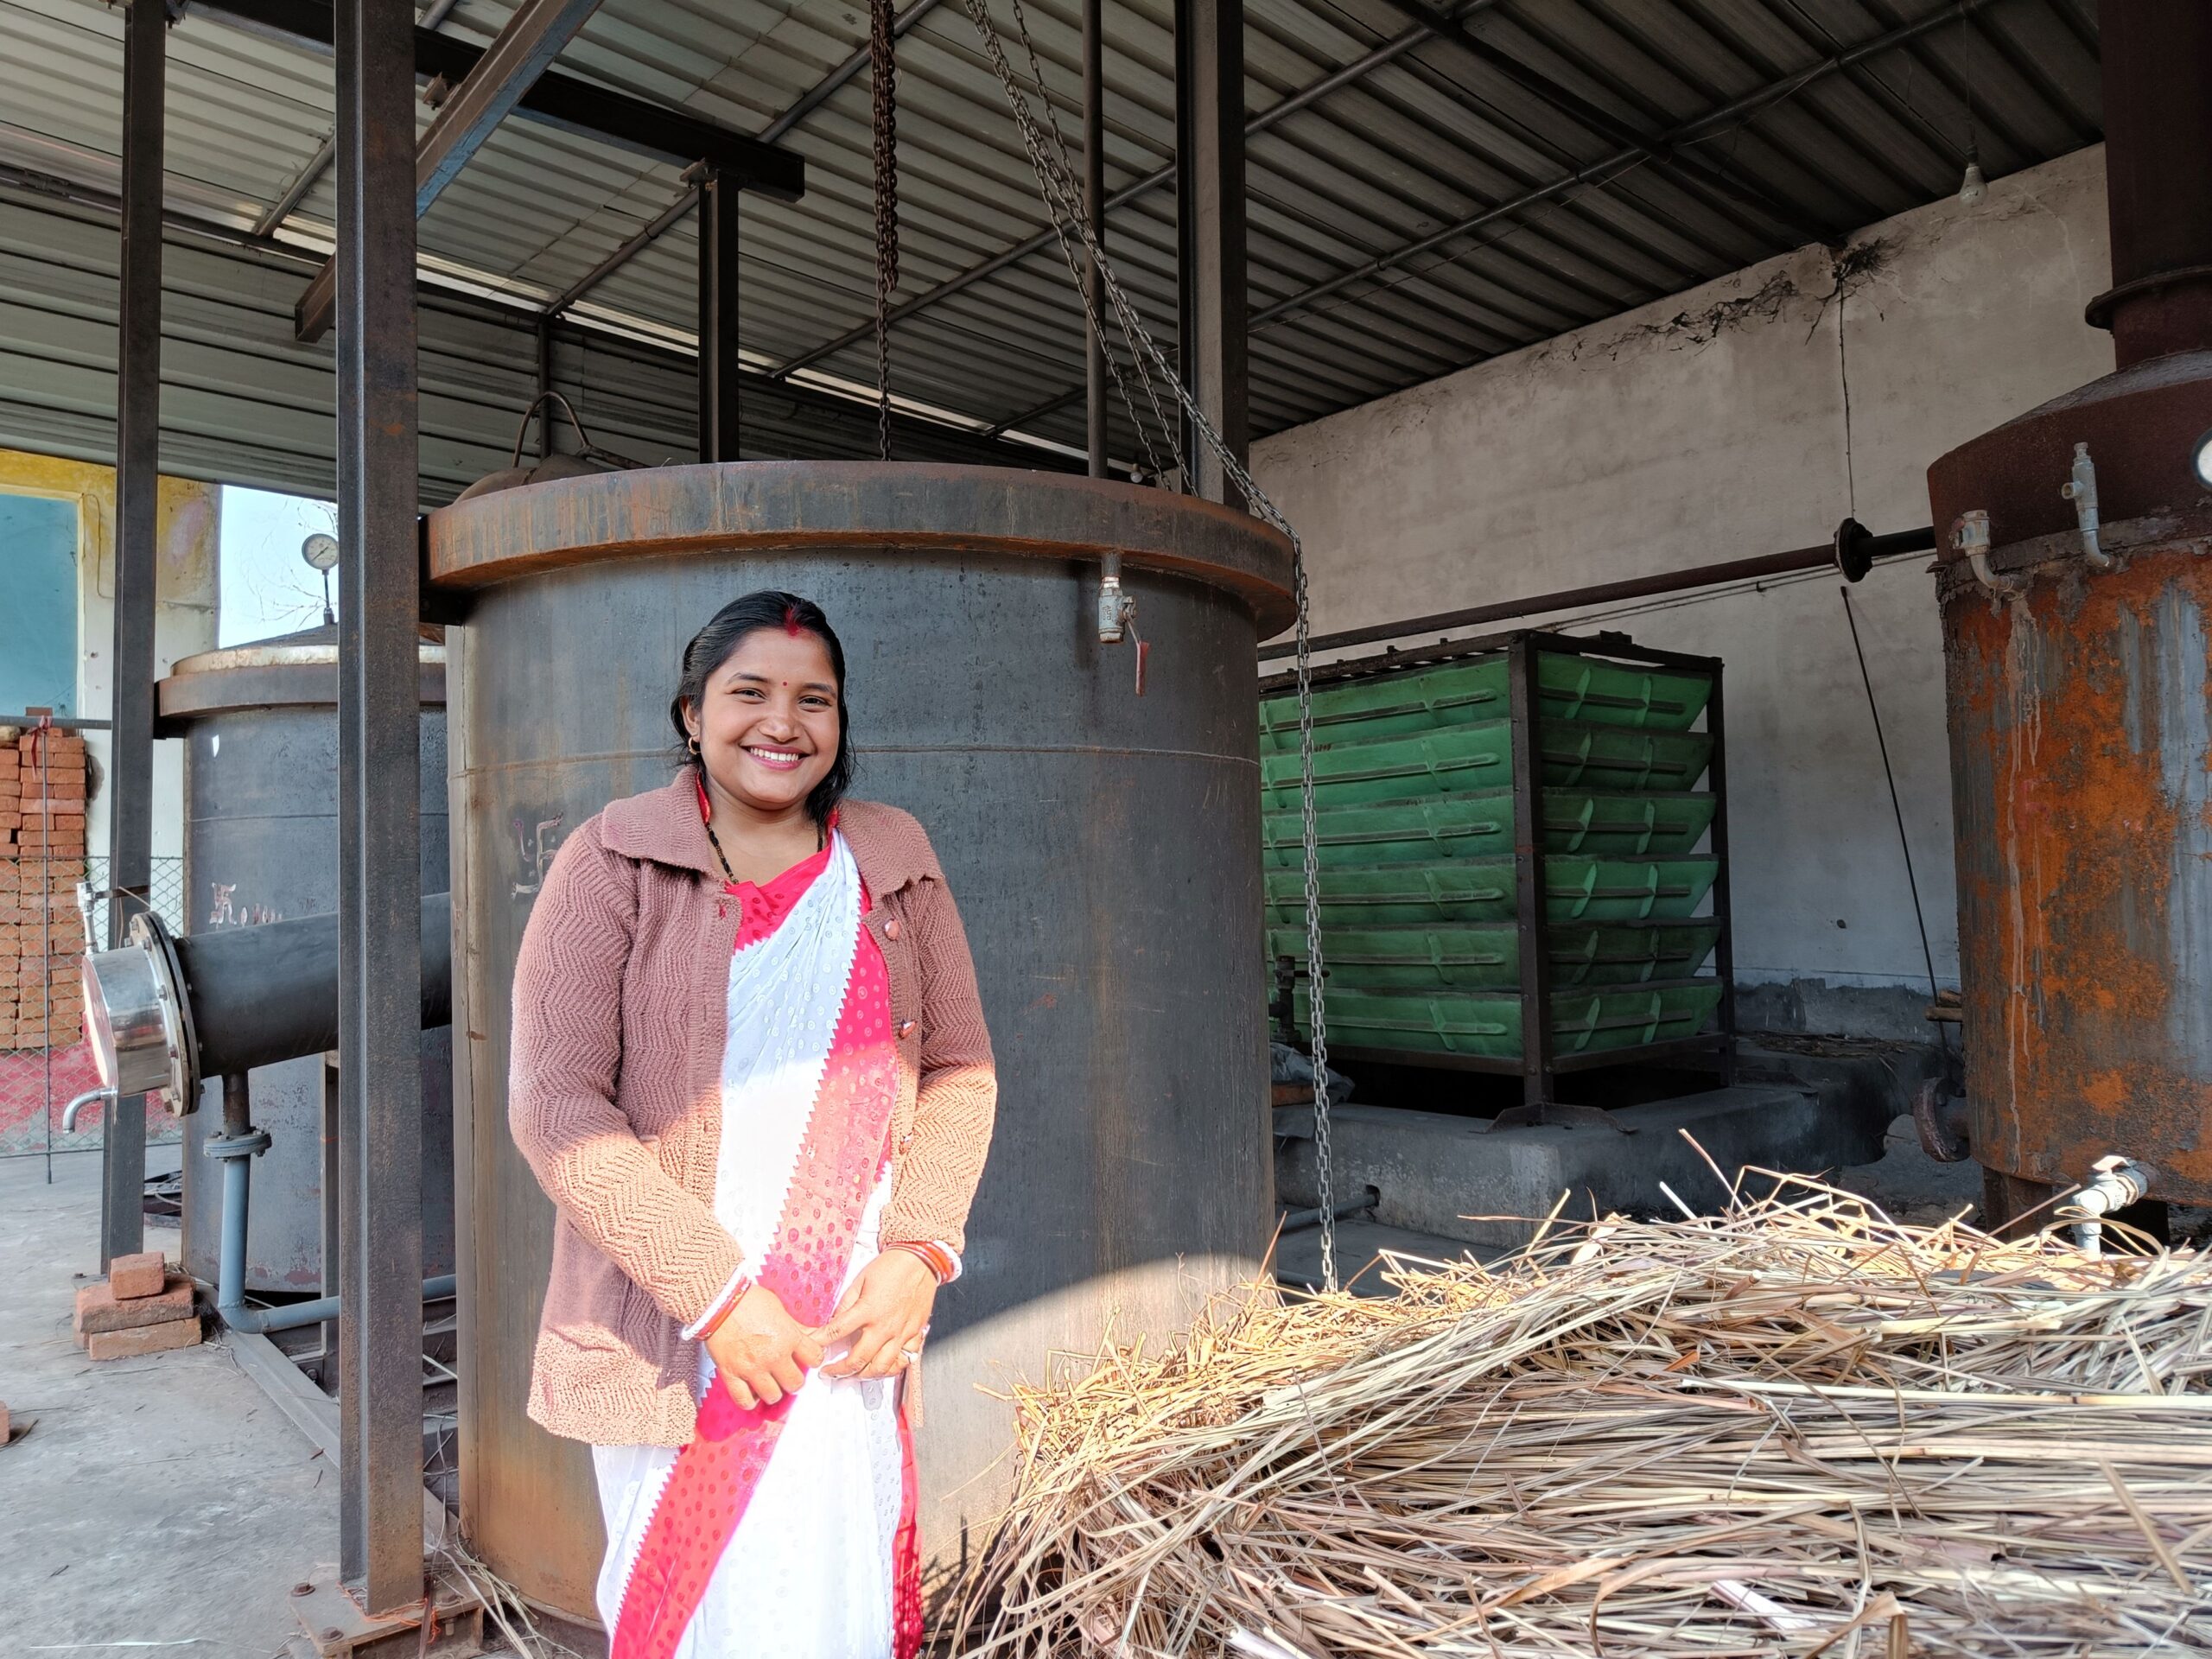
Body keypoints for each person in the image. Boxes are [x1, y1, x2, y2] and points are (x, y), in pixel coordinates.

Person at [506, 591, 998, 1659]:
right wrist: (720, 1301)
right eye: (750, 693)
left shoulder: (891, 857)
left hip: (846, 1327)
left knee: (837, 1594)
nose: (783, 722)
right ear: (692, 713)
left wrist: (920, 1250)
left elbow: (960, 1066)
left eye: (812, 699)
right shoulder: (613, 861)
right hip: (687, 1335)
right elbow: (555, 1105)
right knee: (701, 1612)